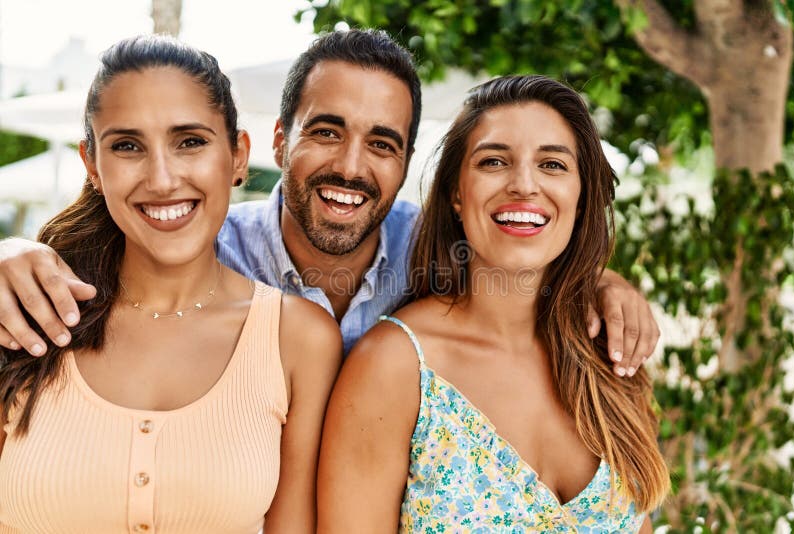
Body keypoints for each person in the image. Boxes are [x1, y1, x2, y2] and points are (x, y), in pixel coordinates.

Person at [0, 30, 657, 373]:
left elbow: (526, 266)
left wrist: (601, 282)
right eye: (325, 131)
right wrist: (15, 251)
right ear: (279, 140)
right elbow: (87, 253)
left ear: (405, 162)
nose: (350, 166)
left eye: (381, 144)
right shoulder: (200, 247)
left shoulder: (436, 254)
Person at [0, 35, 341, 533]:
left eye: (190, 142)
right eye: (127, 146)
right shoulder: (26, 313)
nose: (161, 178)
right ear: (92, 165)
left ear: (238, 156)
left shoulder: (299, 339)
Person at [317, 75, 670, 533]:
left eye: (553, 165)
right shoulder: (396, 365)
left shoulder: (612, 355)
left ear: (581, 199)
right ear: (456, 194)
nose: (524, 185)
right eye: (494, 161)